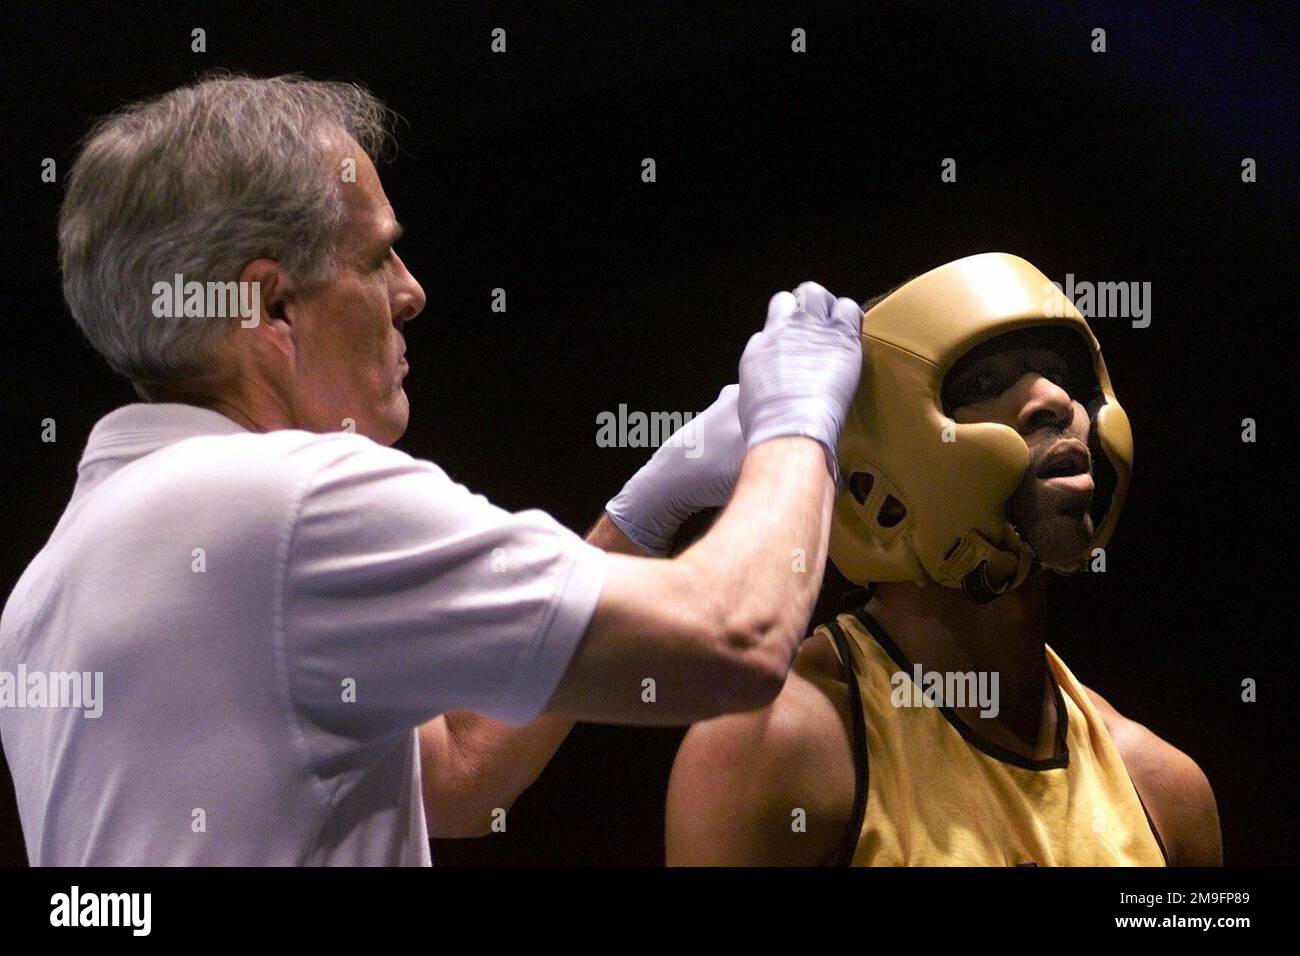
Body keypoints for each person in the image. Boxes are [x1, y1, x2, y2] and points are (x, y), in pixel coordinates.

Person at [0, 72, 863, 864]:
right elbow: (734, 640)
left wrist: (636, 521)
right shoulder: (285, 499)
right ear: (270, 303)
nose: (410, 291)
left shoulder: (57, 576)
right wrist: (797, 423)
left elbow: (455, 774)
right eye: (376, 256)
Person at [665, 253, 1222, 866]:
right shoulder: (779, 747)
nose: (1058, 401)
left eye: (1062, 374)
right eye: (984, 384)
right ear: (876, 484)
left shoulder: (1165, 793)